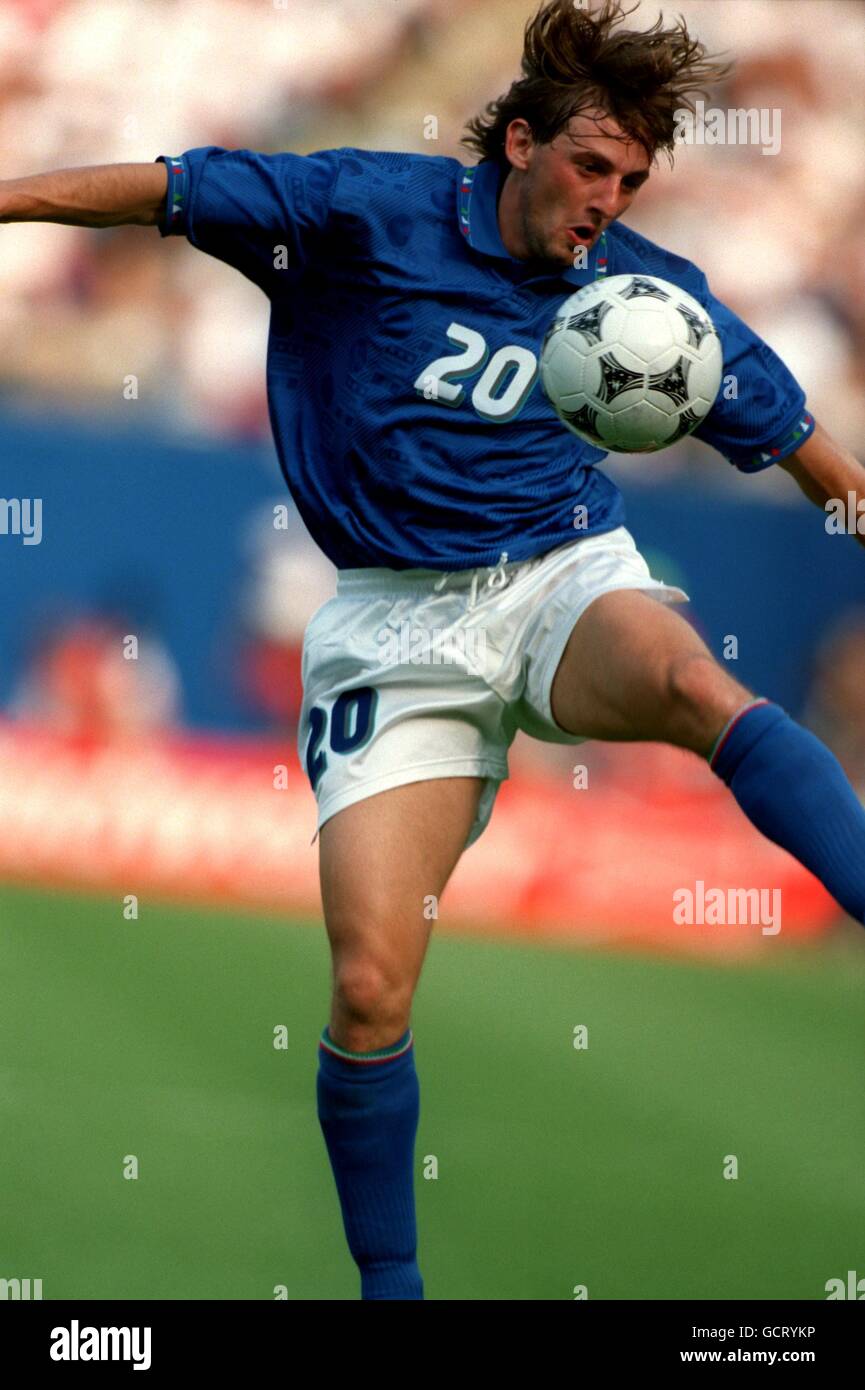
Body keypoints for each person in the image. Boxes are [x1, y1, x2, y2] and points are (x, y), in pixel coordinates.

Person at [3, 0, 863, 1302]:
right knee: (364, 987)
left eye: (629, 180)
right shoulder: (357, 210)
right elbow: (165, 190)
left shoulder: (644, 300)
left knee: (697, 681)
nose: (604, 199)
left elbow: (801, 443)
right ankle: (391, 1295)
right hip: (390, 629)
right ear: (516, 139)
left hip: (561, 573)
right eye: (588, 165)